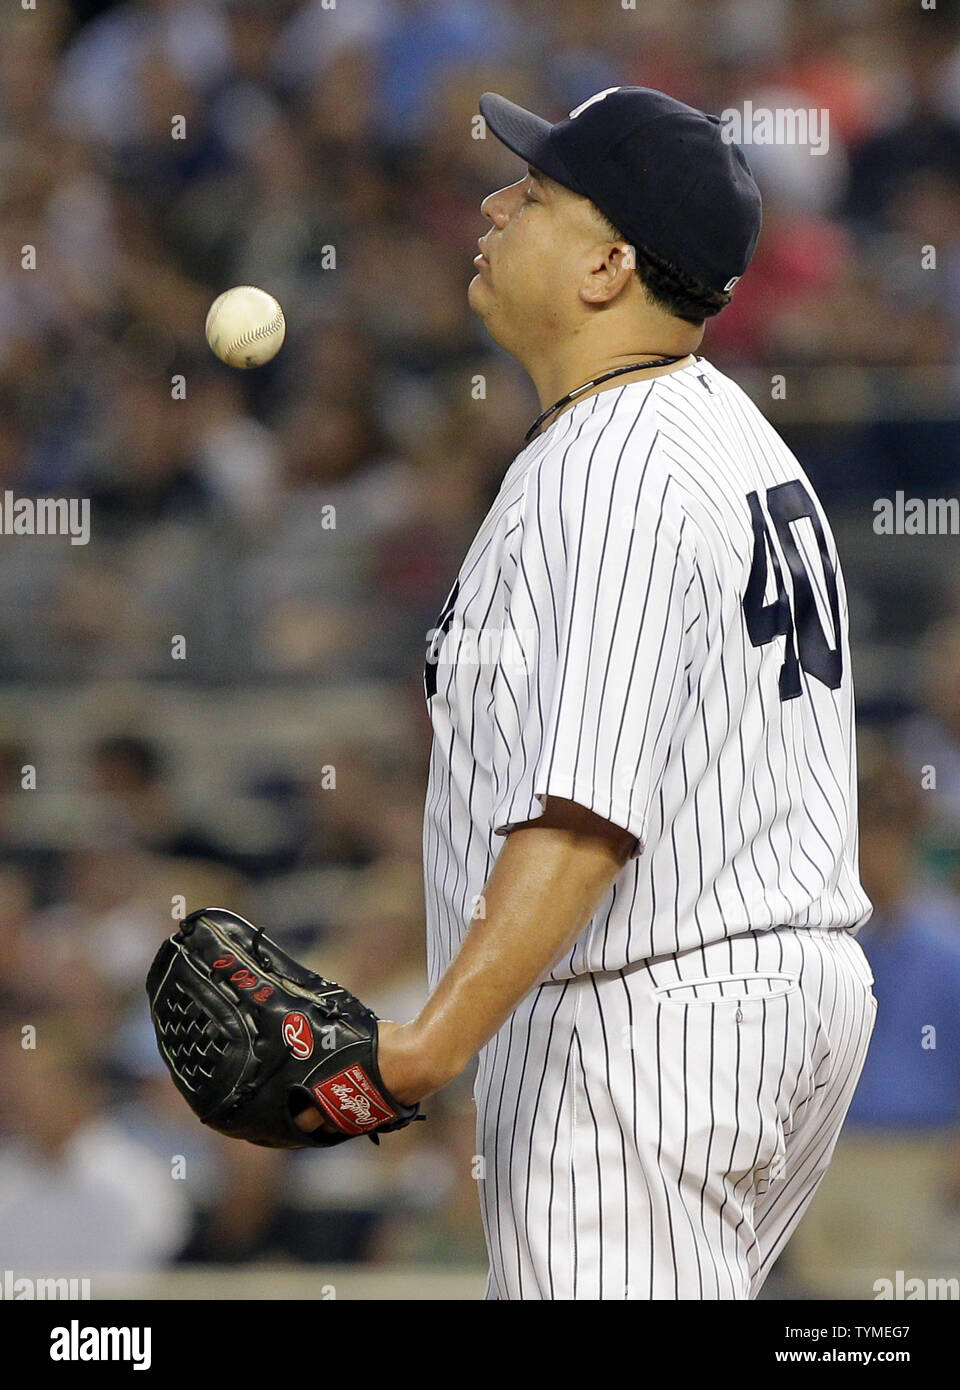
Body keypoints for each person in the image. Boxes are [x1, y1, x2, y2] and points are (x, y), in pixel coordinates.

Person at [298, 85, 878, 1301]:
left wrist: (415, 1051)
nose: (495, 203)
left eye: (537, 193)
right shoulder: (724, 428)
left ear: (610, 264)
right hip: (757, 994)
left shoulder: (611, 468)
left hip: (647, 1018)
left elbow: (583, 813)